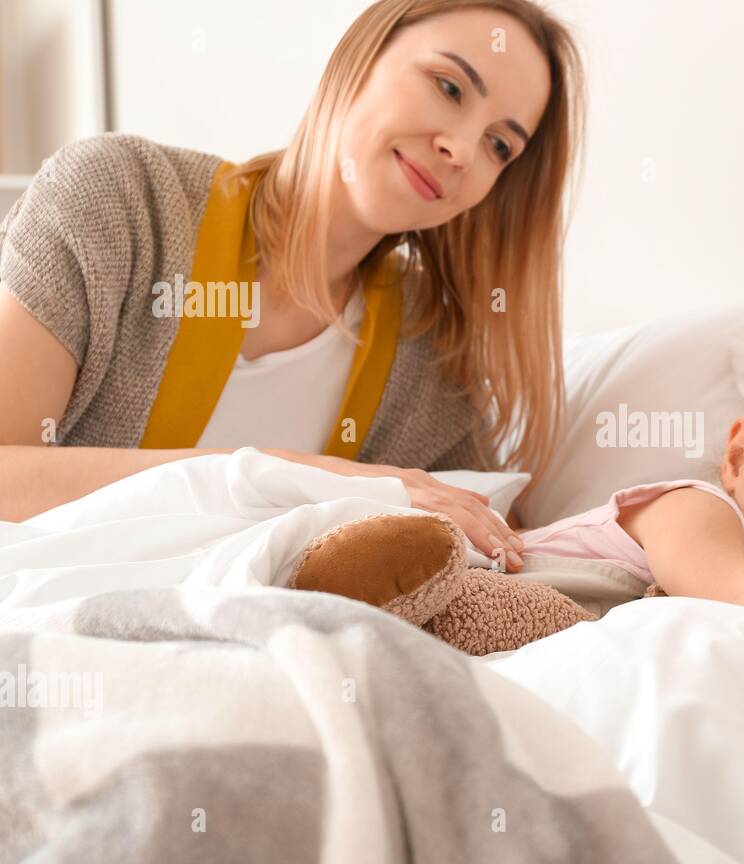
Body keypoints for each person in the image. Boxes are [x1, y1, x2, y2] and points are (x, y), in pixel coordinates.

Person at [0, 0, 587, 573]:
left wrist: (656, 509)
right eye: (450, 87)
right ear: (361, 52)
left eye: (499, 146)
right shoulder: (120, 199)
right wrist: (284, 476)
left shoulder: (430, 364)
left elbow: (504, 548)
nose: (460, 150)